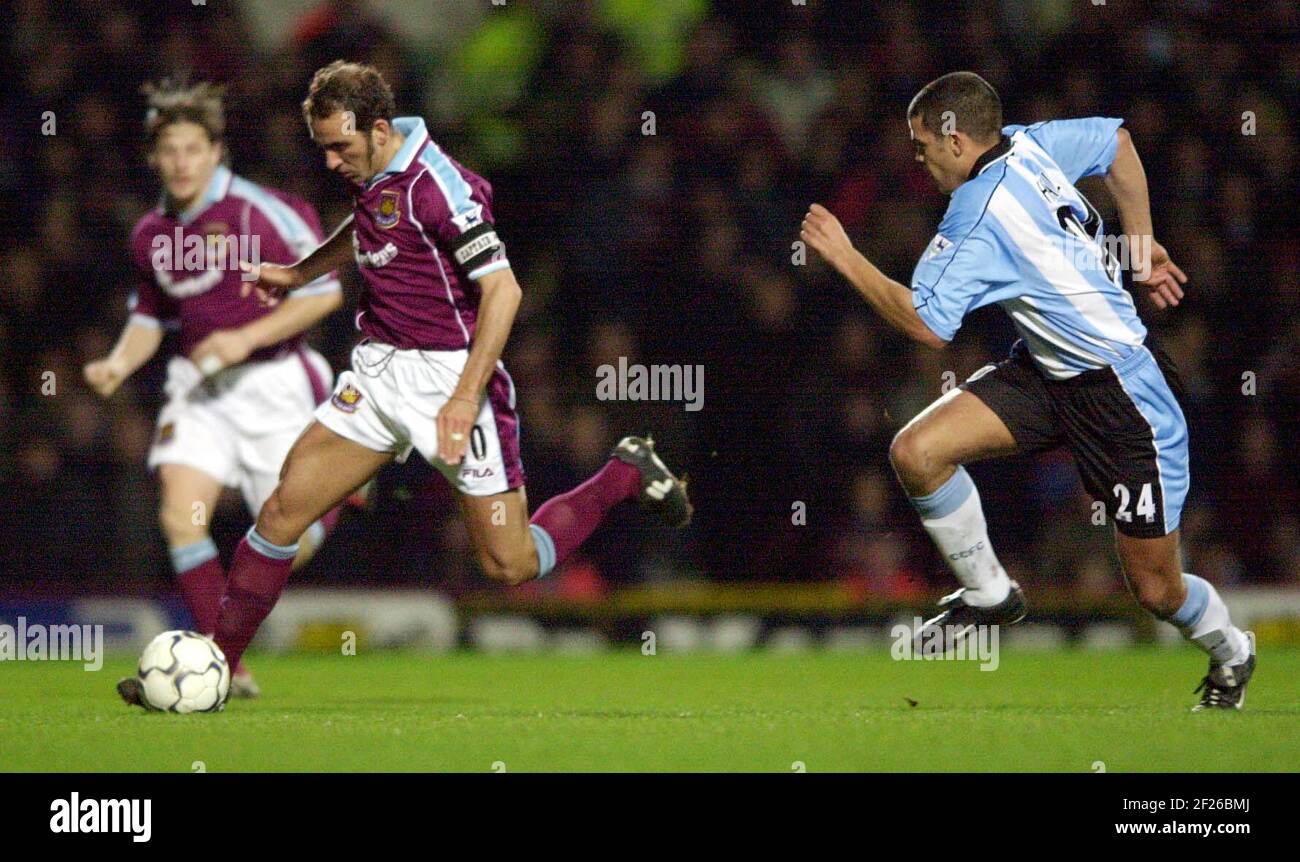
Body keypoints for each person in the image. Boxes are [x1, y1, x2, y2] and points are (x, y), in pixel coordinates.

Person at [117, 61, 691, 707]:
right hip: (381, 372)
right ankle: (218, 669)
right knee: (280, 513)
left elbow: (503, 291)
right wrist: (298, 273)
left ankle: (622, 473)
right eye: (323, 147)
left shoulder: (439, 187)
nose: (332, 161)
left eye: (340, 146)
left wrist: (465, 396)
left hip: (453, 377)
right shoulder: (378, 172)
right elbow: (369, 228)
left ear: (380, 128)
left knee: (509, 564)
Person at [800, 71, 1254, 710]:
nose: (919, 157)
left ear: (956, 139)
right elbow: (1118, 144)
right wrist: (1142, 243)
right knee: (918, 452)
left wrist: (846, 257)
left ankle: (1233, 650)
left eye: (923, 144)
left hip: (1124, 396)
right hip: (1048, 372)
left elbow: (928, 325)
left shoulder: (977, 213)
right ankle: (990, 593)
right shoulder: (1028, 143)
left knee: (1156, 592)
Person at [84, 78, 348, 699]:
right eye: (169, 150)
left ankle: (338, 495)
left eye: (192, 149)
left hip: (277, 385)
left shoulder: (262, 211)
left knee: (285, 535)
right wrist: (118, 364)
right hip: (198, 390)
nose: (180, 162)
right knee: (180, 515)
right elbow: (152, 318)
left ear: (215, 151)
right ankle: (221, 667)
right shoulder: (150, 233)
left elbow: (326, 291)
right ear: (155, 156)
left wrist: (244, 338)